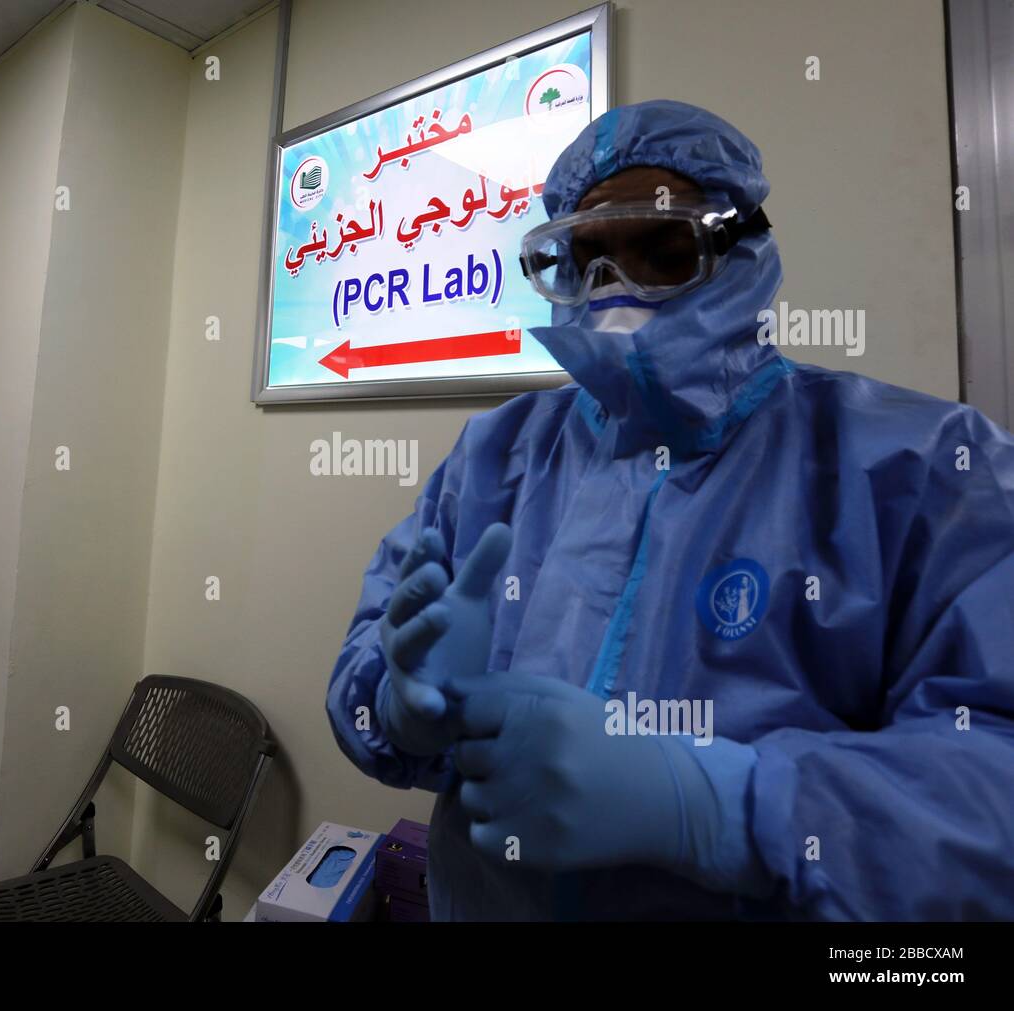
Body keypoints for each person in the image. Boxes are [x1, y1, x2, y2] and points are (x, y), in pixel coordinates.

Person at [325, 99, 1014, 920]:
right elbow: (360, 676)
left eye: (662, 252)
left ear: (743, 251)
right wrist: (406, 710)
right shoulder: (494, 456)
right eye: (588, 261)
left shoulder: (921, 468)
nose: (618, 293)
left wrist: (720, 807)